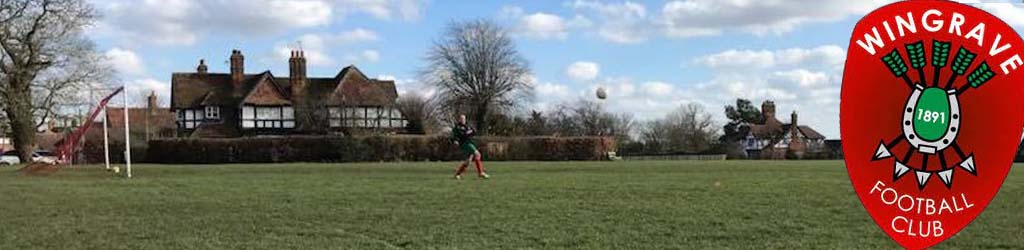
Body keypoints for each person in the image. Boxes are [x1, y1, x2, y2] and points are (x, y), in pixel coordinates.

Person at [452, 114, 489, 179]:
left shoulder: (467, 126)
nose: (463, 120)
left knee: (468, 161)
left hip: (470, 142)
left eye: (464, 119)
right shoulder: (457, 127)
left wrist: (470, 132)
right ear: (459, 119)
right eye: (461, 119)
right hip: (465, 143)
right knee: (477, 154)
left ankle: (457, 174)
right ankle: (480, 173)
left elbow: (474, 131)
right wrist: (468, 133)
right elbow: (462, 135)